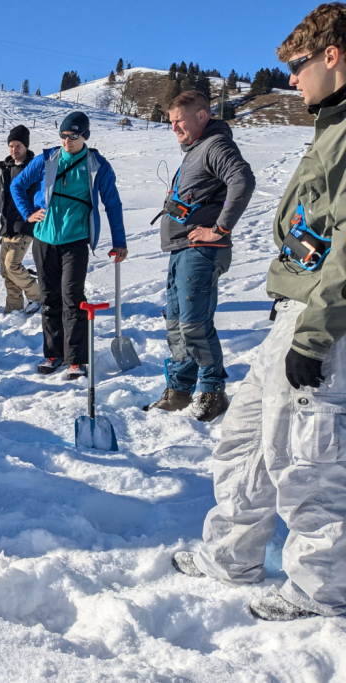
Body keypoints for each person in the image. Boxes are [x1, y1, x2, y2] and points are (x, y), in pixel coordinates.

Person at [172, 3, 346, 622]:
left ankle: (323, 587)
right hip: (296, 304)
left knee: (306, 454)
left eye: (298, 66)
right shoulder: (331, 125)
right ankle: (231, 555)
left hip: (326, 315)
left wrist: (316, 335)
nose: (291, 80)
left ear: (333, 55)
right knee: (246, 437)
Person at [144, 90, 255, 422]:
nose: (174, 127)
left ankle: (212, 391)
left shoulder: (215, 145)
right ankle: (179, 390)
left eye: (180, 119)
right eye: (171, 121)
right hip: (182, 250)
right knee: (177, 325)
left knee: (194, 324)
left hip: (202, 251)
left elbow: (243, 180)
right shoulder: (195, 150)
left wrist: (219, 229)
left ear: (203, 115)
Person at [11, 111, 127, 380]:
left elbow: (112, 204)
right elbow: (18, 185)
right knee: (50, 298)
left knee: (72, 297)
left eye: (72, 137)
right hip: (44, 238)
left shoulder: (97, 165)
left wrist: (119, 241)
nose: (66, 142)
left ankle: (77, 359)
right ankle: (53, 354)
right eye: (63, 136)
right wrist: (28, 212)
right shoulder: (47, 159)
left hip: (75, 241)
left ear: (85, 135)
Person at [0, 124, 41, 315]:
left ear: (26, 146)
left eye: (18, 145)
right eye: (11, 145)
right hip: (7, 227)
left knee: (12, 266)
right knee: (6, 272)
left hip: (25, 226)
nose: (14, 149)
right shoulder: (6, 170)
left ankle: (37, 296)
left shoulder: (34, 169)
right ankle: (13, 309)